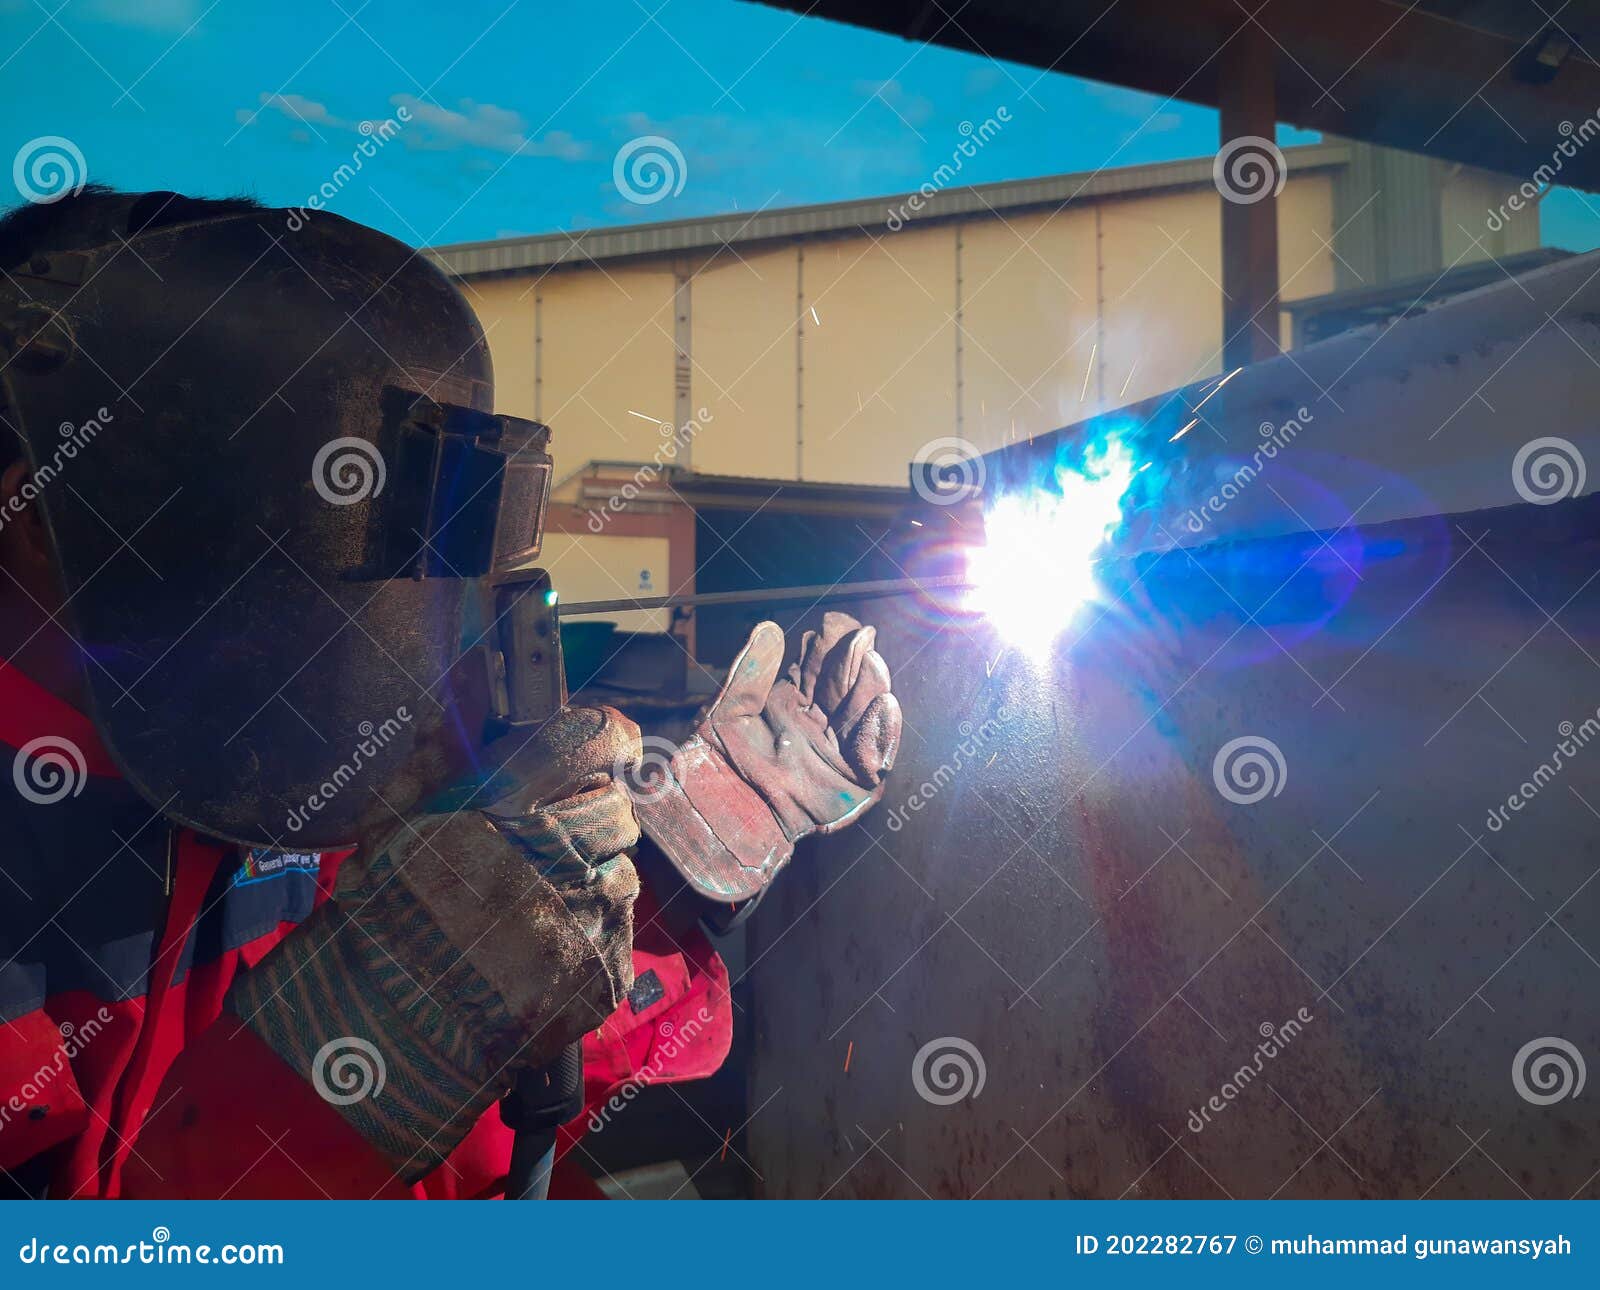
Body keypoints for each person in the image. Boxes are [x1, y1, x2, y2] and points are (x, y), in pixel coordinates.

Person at [0, 188, 900, 1199]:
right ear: (38, 506)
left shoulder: (308, 752)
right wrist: (321, 1092)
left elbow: (511, 1069)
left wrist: (673, 872)